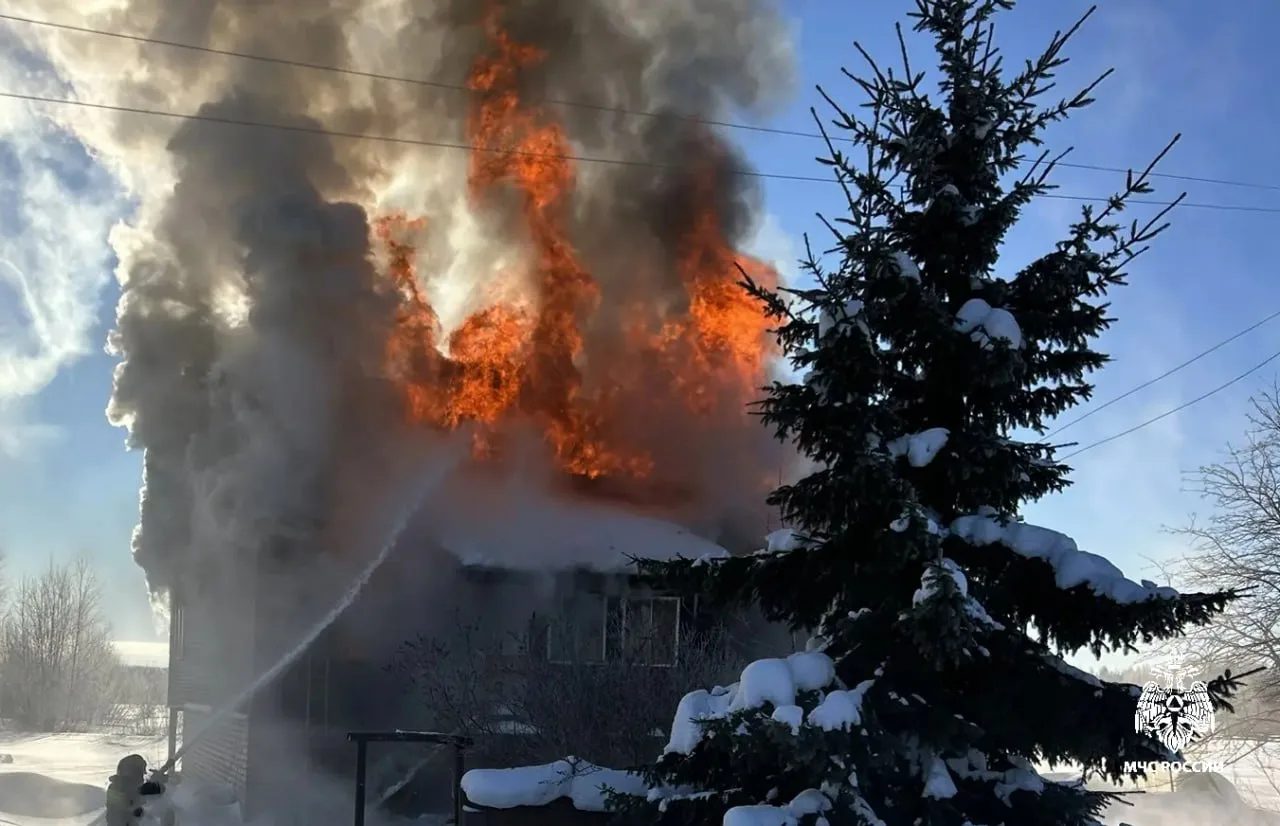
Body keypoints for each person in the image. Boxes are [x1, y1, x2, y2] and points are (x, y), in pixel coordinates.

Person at [105, 755, 167, 826]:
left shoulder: (119, 785)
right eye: (140, 773)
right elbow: (156, 789)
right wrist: (160, 781)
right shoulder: (121, 787)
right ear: (134, 772)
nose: (142, 777)